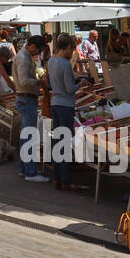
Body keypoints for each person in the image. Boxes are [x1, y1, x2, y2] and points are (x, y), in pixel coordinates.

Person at [46, 34, 86, 192]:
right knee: (64, 144)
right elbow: (70, 89)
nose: (73, 52)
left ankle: (57, 178)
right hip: (65, 105)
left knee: (57, 142)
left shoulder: (51, 61)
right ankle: (65, 181)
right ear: (68, 47)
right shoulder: (65, 64)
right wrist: (80, 84)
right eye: (73, 49)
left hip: (55, 103)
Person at [12, 36, 51, 182]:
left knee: (26, 135)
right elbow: (24, 81)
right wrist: (40, 82)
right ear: (33, 46)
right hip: (26, 98)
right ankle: (30, 172)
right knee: (29, 135)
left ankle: (24, 168)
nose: (39, 53)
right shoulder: (23, 58)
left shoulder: (24, 56)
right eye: (39, 49)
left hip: (25, 98)